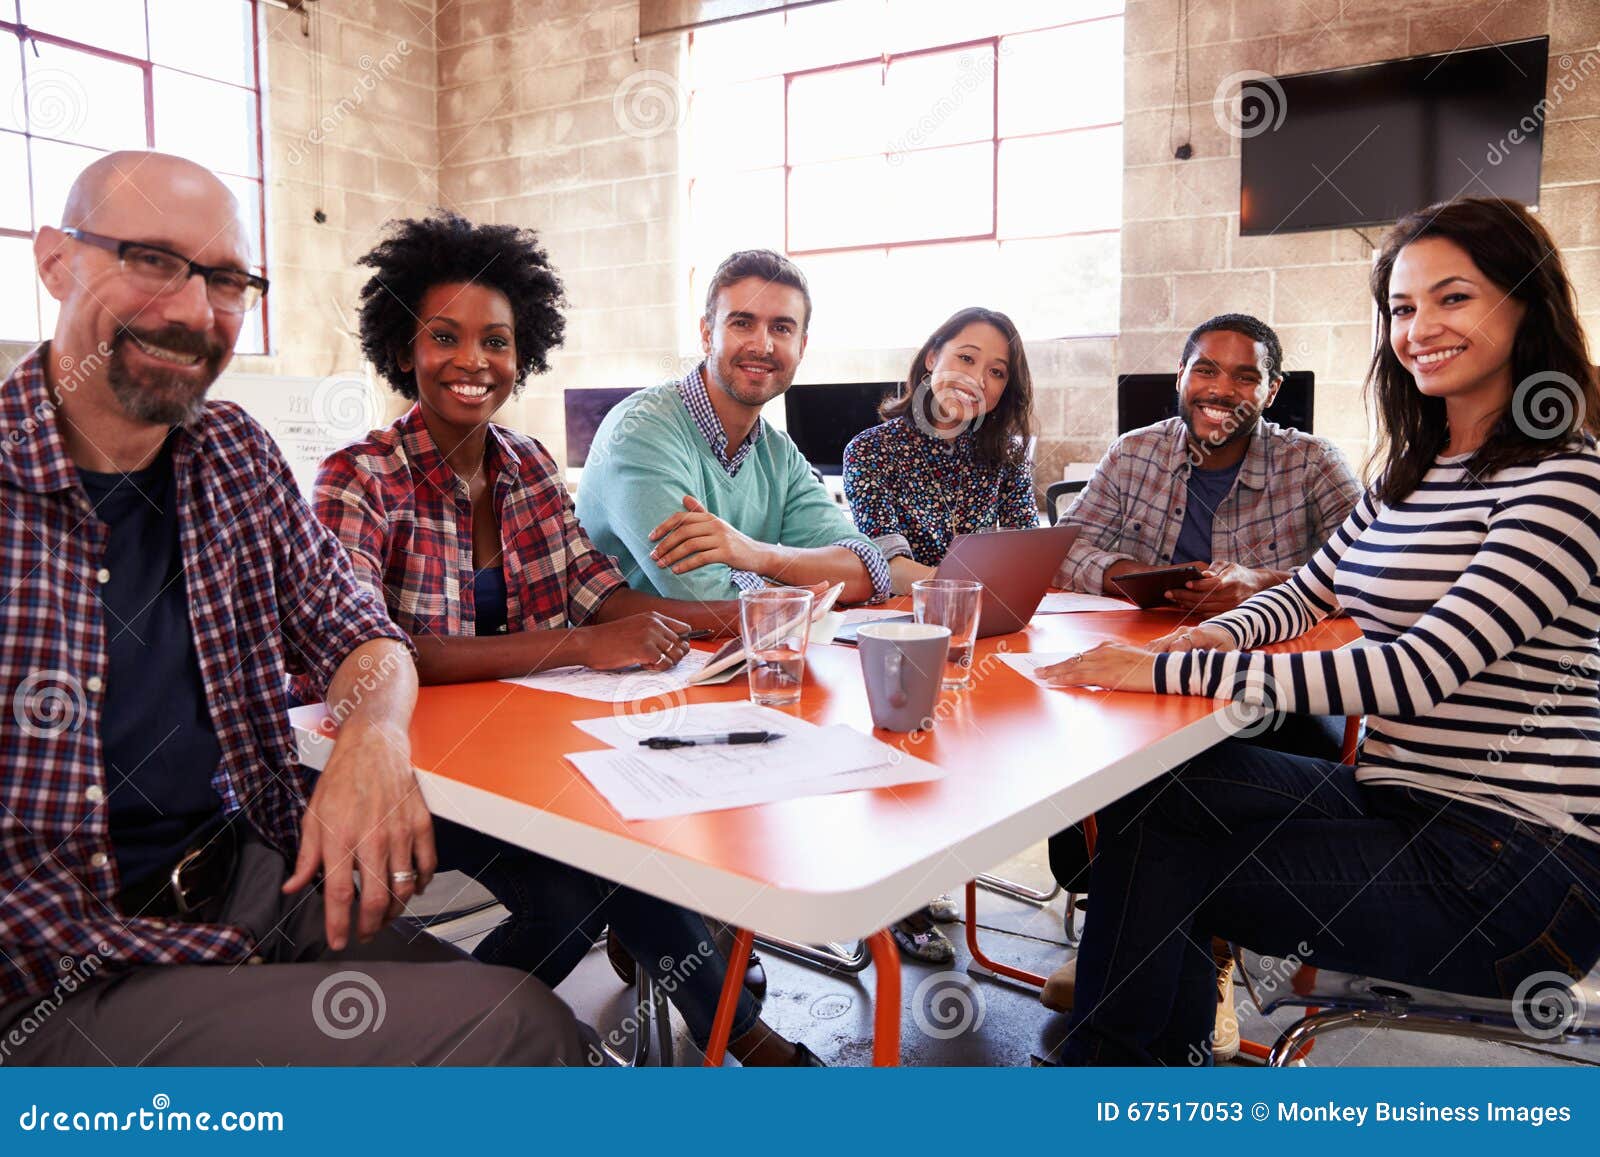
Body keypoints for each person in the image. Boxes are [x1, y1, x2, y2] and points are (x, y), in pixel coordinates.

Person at [0, 152, 589, 1065]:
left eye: (227, 279)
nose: (194, 310)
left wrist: (375, 738)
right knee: (521, 1031)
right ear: (54, 261)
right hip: (58, 968)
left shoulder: (232, 454)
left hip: (250, 887)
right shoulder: (358, 470)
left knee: (552, 975)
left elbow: (363, 633)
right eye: (150, 259)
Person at [1039, 196, 1600, 1066]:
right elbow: (1303, 595)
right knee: (1147, 791)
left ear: (1527, 304)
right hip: (1401, 803)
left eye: (1454, 298)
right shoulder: (1412, 478)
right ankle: (1146, 1067)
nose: (1420, 328)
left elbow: (1417, 670)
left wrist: (1160, 674)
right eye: (1403, 308)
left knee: (1164, 871)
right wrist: (1210, 640)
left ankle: (1104, 1077)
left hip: (1514, 867)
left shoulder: (1564, 480)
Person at [311, 211, 819, 1065]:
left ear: (524, 353)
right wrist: (578, 649)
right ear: (404, 348)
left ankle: (467, 1038)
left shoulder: (530, 465)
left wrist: (754, 622)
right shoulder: (360, 477)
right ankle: (742, 1036)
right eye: (445, 337)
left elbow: (600, 596)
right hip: (399, 760)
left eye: (498, 341)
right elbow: (371, 652)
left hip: (512, 756)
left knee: (593, 870)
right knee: (579, 890)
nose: (474, 360)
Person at [1041, 314, 1363, 1047]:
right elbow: (1067, 553)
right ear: (1180, 379)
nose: (1222, 389)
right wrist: (1131, 577)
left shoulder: (1312, 463)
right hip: (1148, 666)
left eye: (1245, 375)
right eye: (1206, 371)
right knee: (1076, 743)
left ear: (1271, 390)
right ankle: (1126, 944)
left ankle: (1201, 951)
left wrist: (1260, 587)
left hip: (1265, 688)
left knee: (1174, 782)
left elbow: (1367, 569)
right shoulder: (1135, 453)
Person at [841, 305, 1038, 961]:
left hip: (985, 633)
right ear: (932, 358)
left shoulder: (1005, 455)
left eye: (997, 370)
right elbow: (891, 567)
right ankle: (897, 897)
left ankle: (933, 864)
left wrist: (984, 597)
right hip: (900, 635)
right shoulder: (872, 450)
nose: (978, 377)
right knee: (914, 753)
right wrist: (966, 594)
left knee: (1008, 736)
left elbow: (1023, 546)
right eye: (965, 357)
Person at [574, 248, 891, 605]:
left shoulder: (778, 453)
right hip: (634, 659)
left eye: (781, 328)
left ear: (801, 347)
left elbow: (867, 571)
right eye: (742, 323)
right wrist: (803, 591)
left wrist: (755, 554)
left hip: (746, 654)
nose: (762, 344)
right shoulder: (641, 431)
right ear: (707, 334)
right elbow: (701, 594)